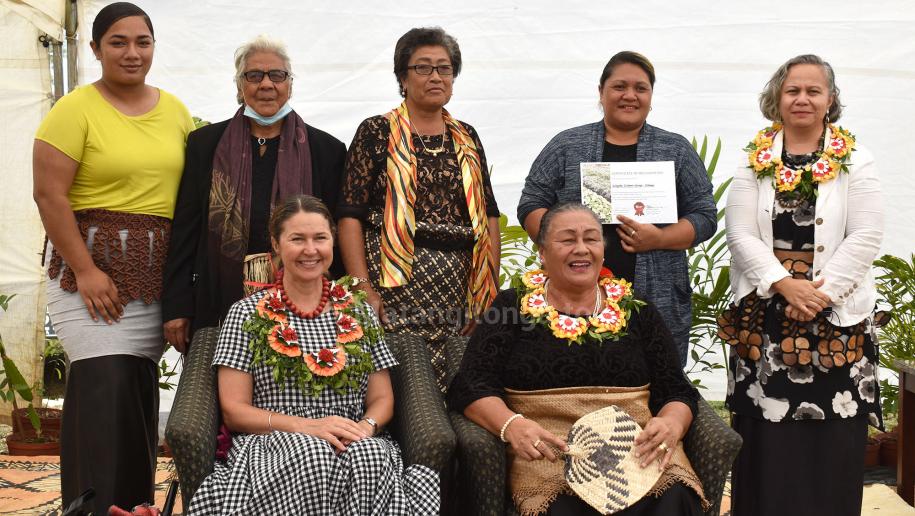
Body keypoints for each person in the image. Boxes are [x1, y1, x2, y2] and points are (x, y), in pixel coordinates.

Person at [31, 3, 195, 513]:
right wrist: (85, 270)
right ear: (96, 47)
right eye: (118, 42)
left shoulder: (176, 110)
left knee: (135, 394)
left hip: (155, 277)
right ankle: (95, 506)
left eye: (142, 41)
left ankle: (133, 506)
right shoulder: (74, 109)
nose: (132, 52)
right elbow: (49, 196)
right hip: (90, 274)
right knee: (106, 386)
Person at [448, 203, 707, 516]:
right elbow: (472, 385)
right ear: (542, 253)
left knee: (674, 496)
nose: (581, 249)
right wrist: (512, 426)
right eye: (567, 240)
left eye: (591, 239)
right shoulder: (512, 307)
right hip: (553, 455)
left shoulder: (638, 310)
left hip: (637, 452)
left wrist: (671, 423)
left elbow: (676, 388)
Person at [186, 195, 439, 514]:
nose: (310, 250)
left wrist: (366, 427)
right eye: (297, 239)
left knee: (371, 456)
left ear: (332, 241)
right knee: (312, 454)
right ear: (276, 246)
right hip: (275, 441)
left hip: (351, 437)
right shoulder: (246, 313)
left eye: (320, 238)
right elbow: (235, 411)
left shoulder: (359, 312)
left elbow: (382, 398)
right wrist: (306, 427)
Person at [723, 54, 883, 516]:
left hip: (837, 316)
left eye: (814, 91)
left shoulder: (857, 158)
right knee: (767, 434)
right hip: (768, 315)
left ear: (830, 100)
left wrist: (819, 295)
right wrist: (783, 285)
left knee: (834, 433)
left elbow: (867, 234)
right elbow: (740, 233)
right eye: (793, 90)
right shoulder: (753, 158)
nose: (802, 99)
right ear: (777, 97)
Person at [517, 51, 717, 367]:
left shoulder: (676, 149)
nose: (630, 95)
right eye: (619, 86)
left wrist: (658, 239)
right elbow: (531, 203)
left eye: (641, 88)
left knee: (655, 384)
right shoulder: (567, 145)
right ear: (601, 92)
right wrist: (565, 240)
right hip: (574, 292)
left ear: (651, 96)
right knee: (574, 374)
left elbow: (705, 216)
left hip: (658, 296)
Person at [337, 26, 501, 392]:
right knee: (402, 385)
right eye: (423, 68)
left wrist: (485, 292)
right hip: (392, 289)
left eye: (444, 68)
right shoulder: (376, 131)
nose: (435, 77)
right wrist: (363, 288)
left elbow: (489, 214)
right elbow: (350, 215)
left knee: (454, 384)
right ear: (402, 77)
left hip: (456, 290)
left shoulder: (467, 136)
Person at [162, 35, 346, 353]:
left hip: (304, 302)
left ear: (289, 84)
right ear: (240, 85)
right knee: (220, 395)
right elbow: (185, 229)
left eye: (277, 75)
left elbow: (335, 236)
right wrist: (177, 305)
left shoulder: (326, 150)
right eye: (254, 75)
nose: (266, 84)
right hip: (219, 299)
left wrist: (342, 304)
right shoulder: (205, 145)